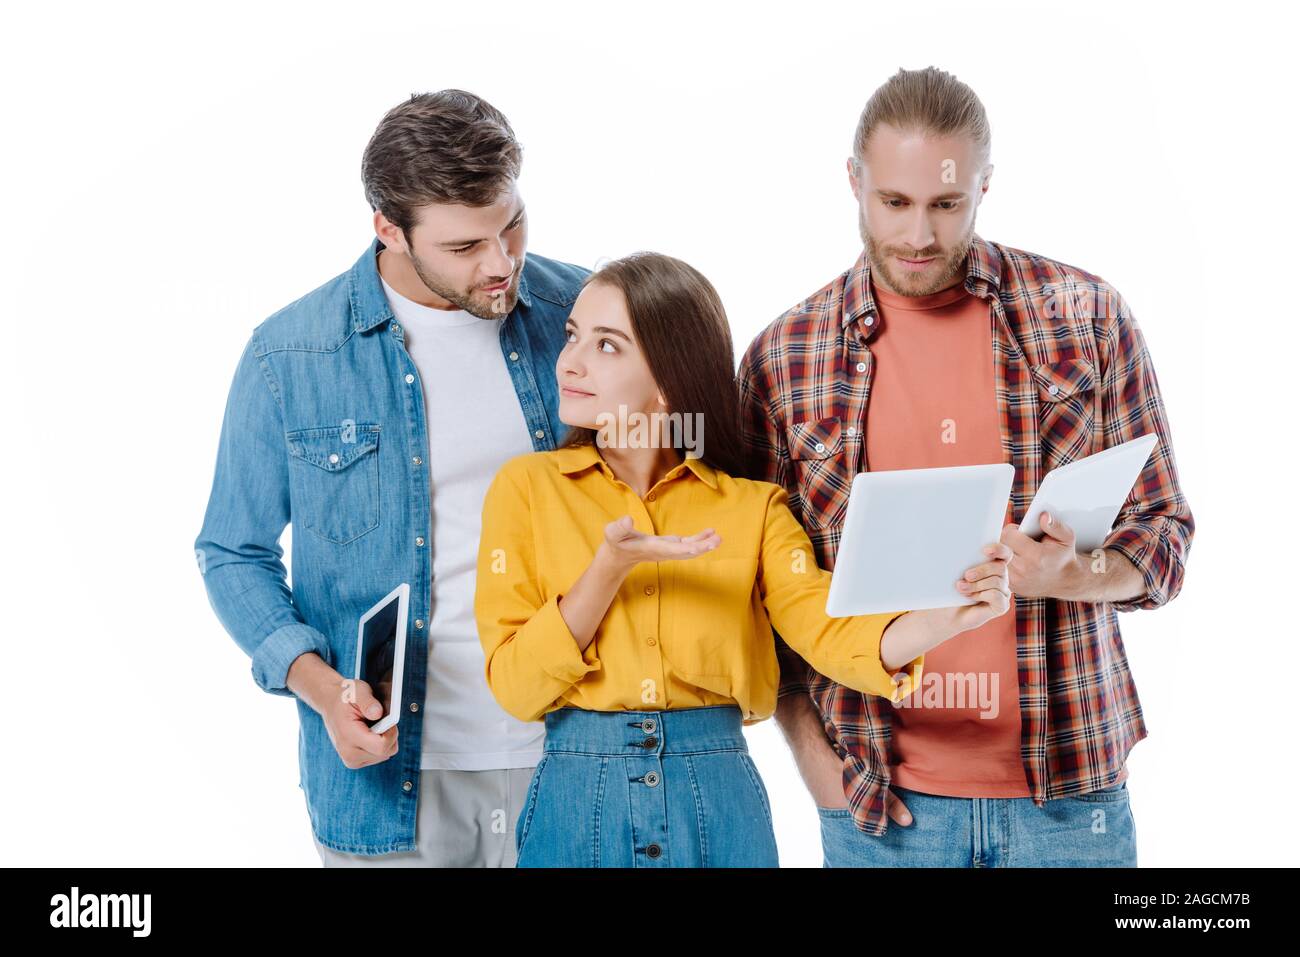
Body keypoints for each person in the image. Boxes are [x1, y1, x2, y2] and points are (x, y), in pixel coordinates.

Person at [737, 66, 1194, 867]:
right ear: (854, 181)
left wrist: (1077, 574)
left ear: (984, 186)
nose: (919, 235)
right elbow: (765, 590)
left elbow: (1164, 532)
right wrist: (816, 767)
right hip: (881, 805)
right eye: (895, 203)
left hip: (1068, 801)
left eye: (947, 204)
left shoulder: (1085, 316)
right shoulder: (785, 356)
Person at [473, 251, 1014, 867]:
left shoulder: (752, 509)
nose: (569, 361)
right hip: (577, 796)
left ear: (668, 383)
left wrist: (951, 615)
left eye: (607, 345)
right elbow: (516, 688)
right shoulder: (525, 490)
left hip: (717, 798)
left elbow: (829, 630)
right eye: (573, 336)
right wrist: (608, 570)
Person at [194, 90, 590, 865]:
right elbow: (232, 549)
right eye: (465, 245)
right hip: (393, 781)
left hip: (577, 751)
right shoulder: (290, 356)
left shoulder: (584, 310)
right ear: (388, 228)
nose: (500, 264)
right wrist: (320, 689)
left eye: (511, 224)